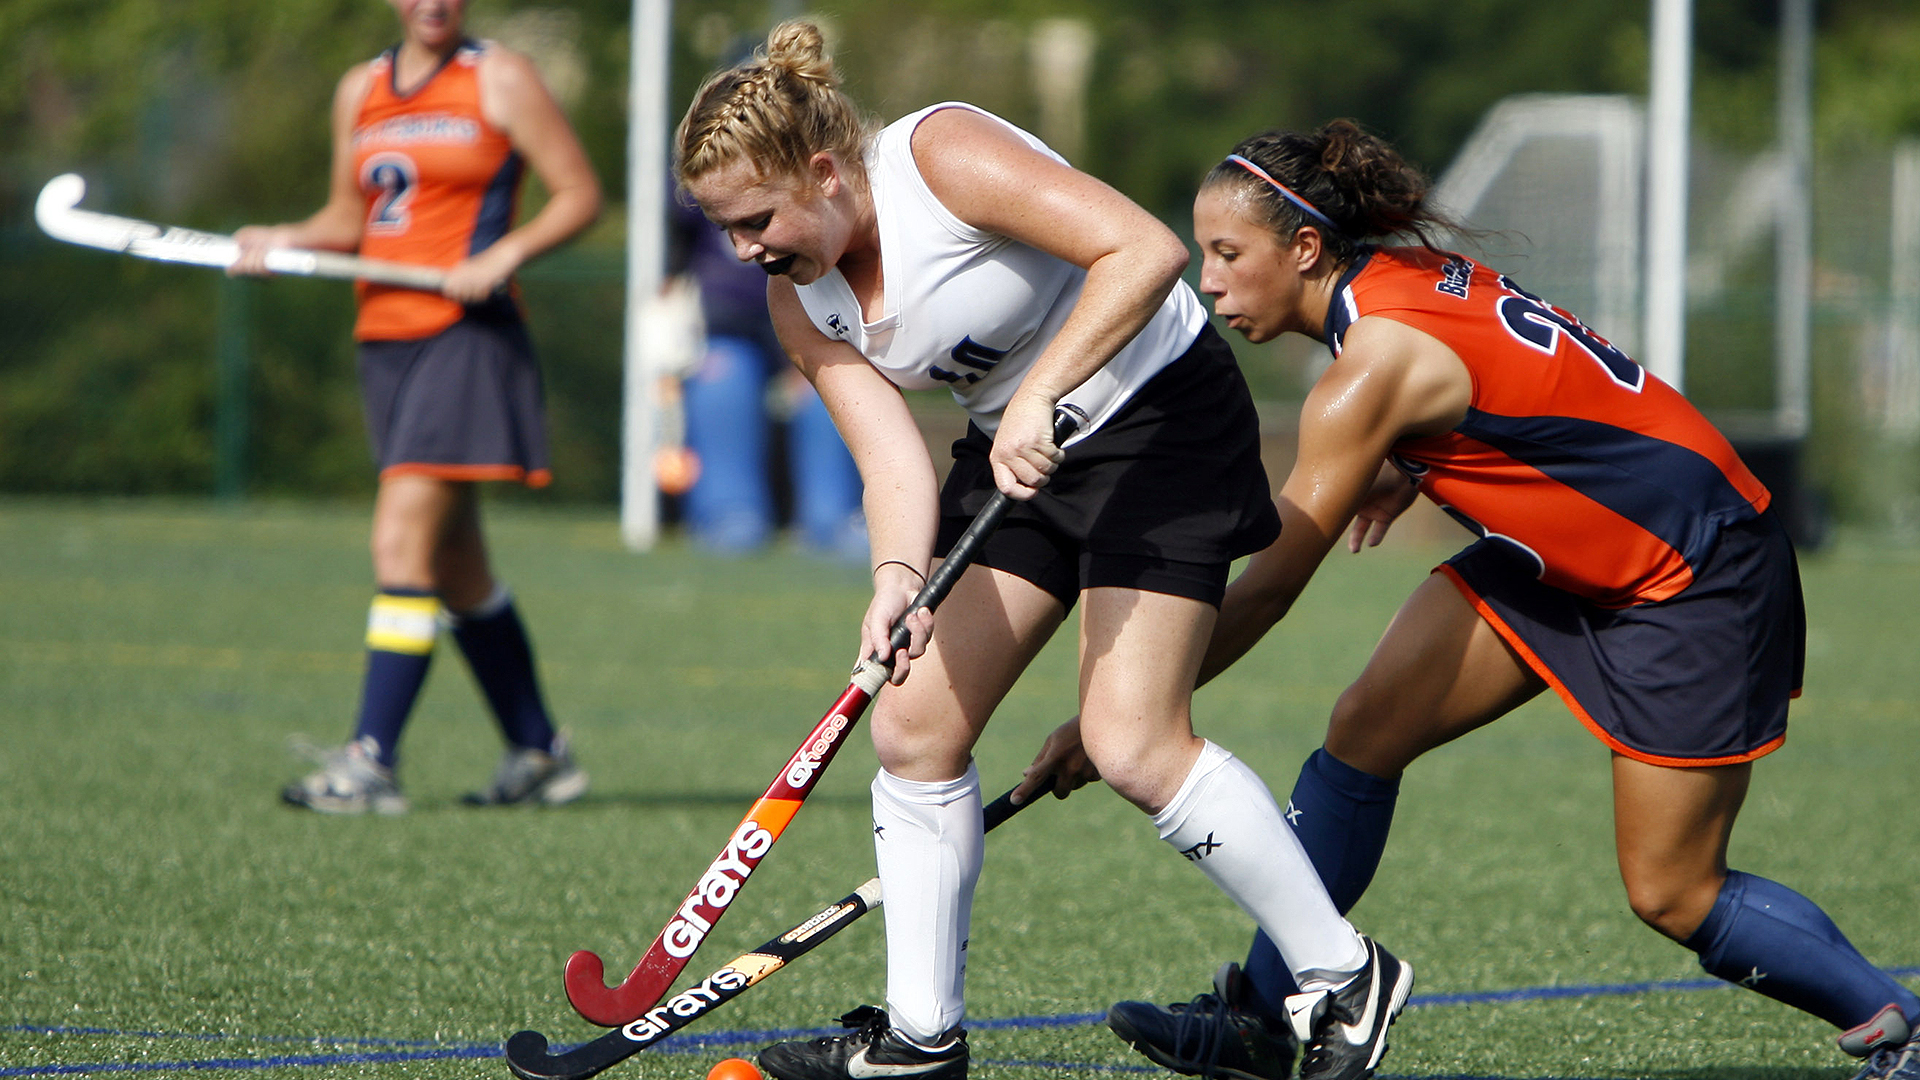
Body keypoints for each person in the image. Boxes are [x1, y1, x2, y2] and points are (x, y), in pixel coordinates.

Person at [1016, 120, 1920, 1080]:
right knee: (1363, 731)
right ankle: (1270, 1024)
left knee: (1673, 890)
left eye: (1230, 253)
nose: (1210, 280)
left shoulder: (1366, 376)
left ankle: (1897, 1023)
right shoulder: (1404, 280)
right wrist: (1419, 460)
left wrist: (1125, 716)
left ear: (1308, 249)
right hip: (1555, 562)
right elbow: (1514, 379)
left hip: (1690, 572)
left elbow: (1273, 582)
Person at [673, 23, 1413, 1080]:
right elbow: (888, 460)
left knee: (1131, 743)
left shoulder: (943, 160)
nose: (745, 250)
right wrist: (895, 584)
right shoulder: (799, 296)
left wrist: (1039, 392)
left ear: (825, 171)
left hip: (1160, 422)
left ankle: (1344, 976)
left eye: (754, 220)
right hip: (1019, 449)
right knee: (915, 726)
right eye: (725, 230)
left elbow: (1146, 253)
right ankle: (919, 1040)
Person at [230, 0, 601, 813]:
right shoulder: (358, 90)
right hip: (385, 338)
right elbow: (348, 217)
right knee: (456, 563)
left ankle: (371, 762)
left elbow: (578, 194)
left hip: (465, 334)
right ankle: (540, 753)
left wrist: (504, 253)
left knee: (400, 536)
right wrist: (280, 238)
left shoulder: (499, 76)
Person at [667, 181, 866, 558]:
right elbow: (673, 244)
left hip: (816, 306)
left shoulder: (803, 164)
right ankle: (727, 514)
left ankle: (836, 517)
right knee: (723, 386)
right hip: (727, 317)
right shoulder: (695, 174)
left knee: (831, 397)